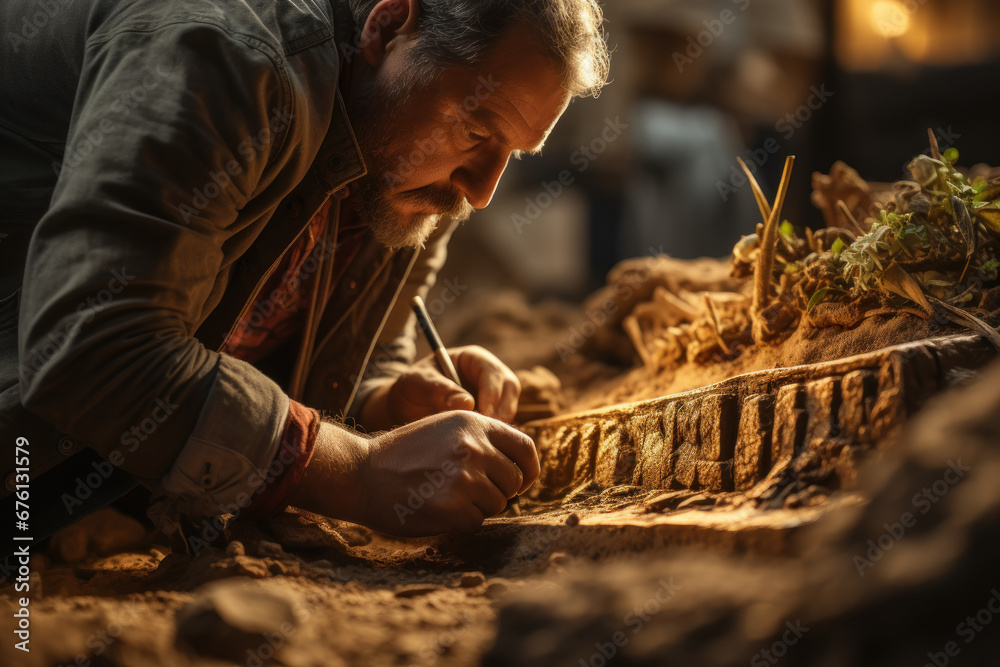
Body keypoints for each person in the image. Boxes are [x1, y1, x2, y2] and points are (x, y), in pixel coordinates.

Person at [0, 0, 610, 545]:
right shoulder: (231, 54)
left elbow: (334, 335)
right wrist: (356, 473)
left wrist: (385, 400)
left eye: (513, 153)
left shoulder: (408, 161)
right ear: (389, 24)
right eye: (477, 131)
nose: (481, 192)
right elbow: (93, 345)